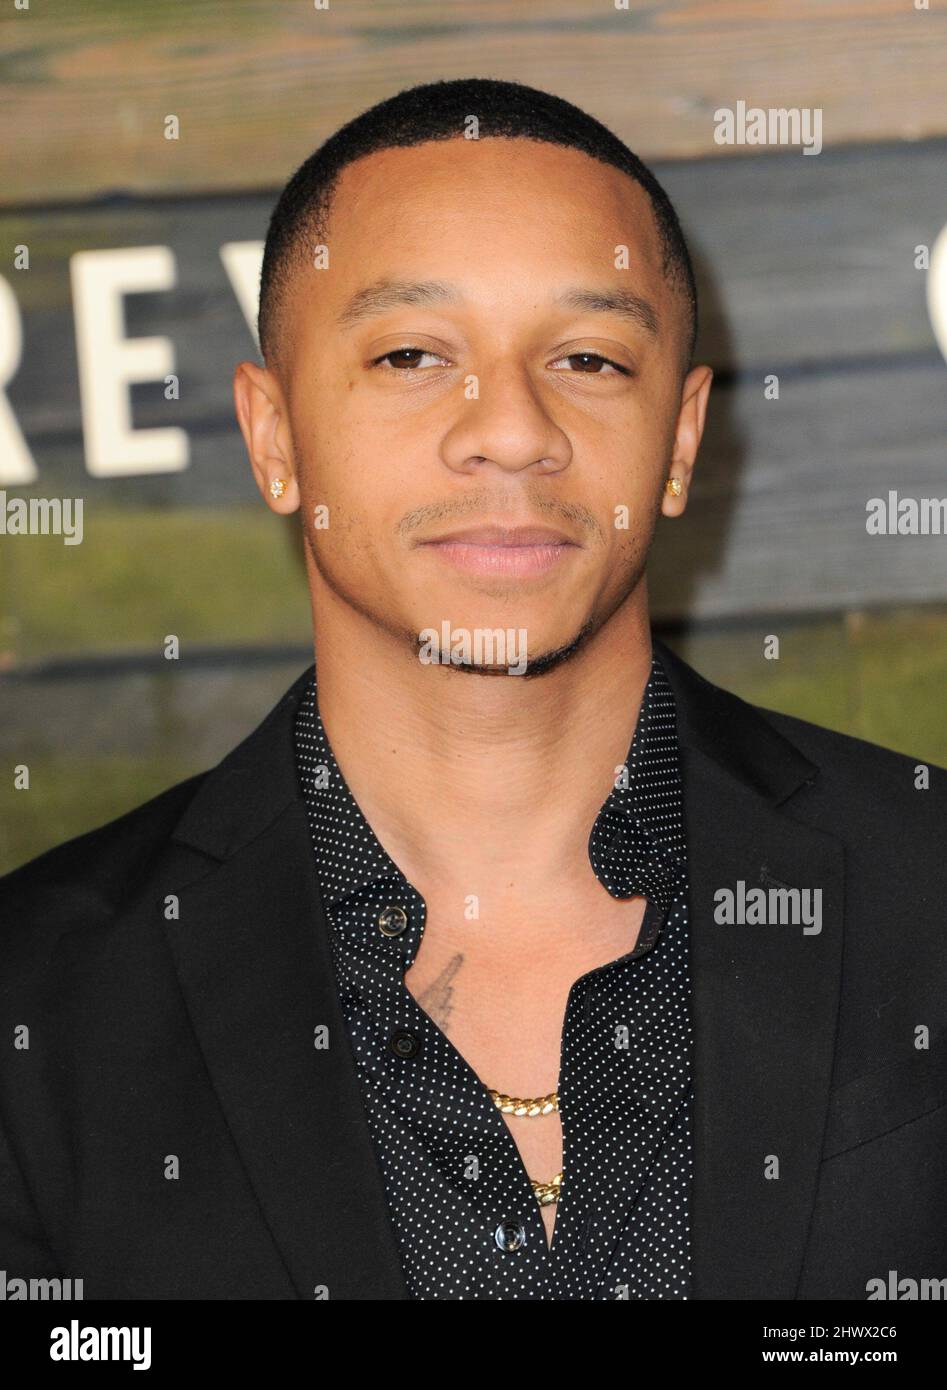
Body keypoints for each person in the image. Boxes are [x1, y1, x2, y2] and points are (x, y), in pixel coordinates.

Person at [0, 78, 944, 1302]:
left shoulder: (923, 885)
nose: (507, 428)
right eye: (409, 354)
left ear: (679, 441)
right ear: (274, 436)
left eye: (587, 357)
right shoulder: (41, 1005)